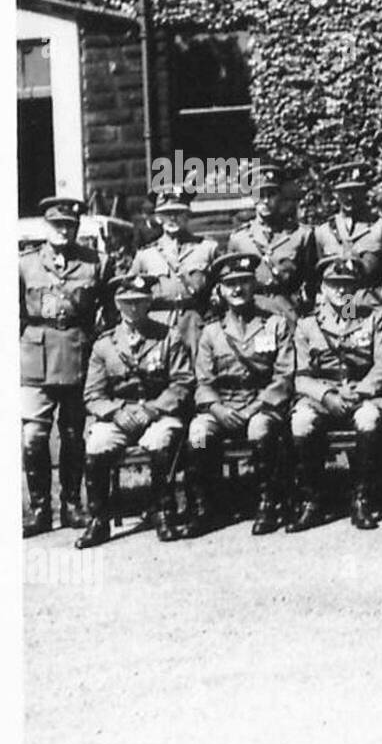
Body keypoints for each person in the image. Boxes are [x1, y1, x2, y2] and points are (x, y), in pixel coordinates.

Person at [80, 273, 195, 546]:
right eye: (127, 302)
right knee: (97, 442)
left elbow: (182, 382)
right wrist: (117, 411)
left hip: (157, 414)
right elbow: (93, 395)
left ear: (149, 303)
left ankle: (163, 512)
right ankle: (99, 520)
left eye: (140, 302)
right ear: (118, 304)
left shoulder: (168, 337)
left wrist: (153, 410)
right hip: (118, 416)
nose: (133, 308)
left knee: (161, 439)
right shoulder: (104, 344)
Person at [187, 253, 295, 536]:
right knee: (198, 435)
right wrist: (217, 409)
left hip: (262, 404)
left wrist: (254, 408)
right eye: (229, 284)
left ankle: (266, 503)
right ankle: (205, 505)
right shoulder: (211, 332)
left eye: (244, 282)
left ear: (254, 285)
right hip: (224, 406)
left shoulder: (275, 324)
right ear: (220, 290)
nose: (237, 290)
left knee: (260, 429)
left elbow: (283, 375)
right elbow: (203, 382)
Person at [289, 256, 382, 533]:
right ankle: (312, 499)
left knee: (370, 419)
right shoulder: (307, 325)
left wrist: (360, 392)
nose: (340, 291)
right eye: (333, 284)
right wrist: (326, 395)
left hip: (362, 395)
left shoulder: (371, 318)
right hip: (322, 398)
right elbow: (301, 375)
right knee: (301, 421)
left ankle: (362, 498)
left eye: (347, 285)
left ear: (356, 288)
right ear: (322, 288)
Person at [20, 196, 107, 536]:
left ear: (76, 228)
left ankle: (72, 504)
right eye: (57, 225)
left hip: (76, 355)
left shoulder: (93, 263)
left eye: (69, 225)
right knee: (33, 436)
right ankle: (41, 509)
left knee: (73, 434)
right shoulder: (24, 264)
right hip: (35, 359)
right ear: (47, 226)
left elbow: (105, 311)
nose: (63, 230)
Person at [130, 188, 219, 354]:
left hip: (195, 324)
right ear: (158, 217)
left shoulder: (207, 249)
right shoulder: (146, 254)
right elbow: (130, 294)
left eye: (178, 213)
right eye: (167, 213)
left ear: (187, 215)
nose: (172, 218)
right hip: (160, 325)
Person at [225, 164, 316, 325]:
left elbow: (312, 280)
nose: (265, 201)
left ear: (280, 197)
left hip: (289, 311)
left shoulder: (300, 234)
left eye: (271, 194)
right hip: (253, 314)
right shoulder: (240, 238)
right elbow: (230, 282)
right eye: (260, 194)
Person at [311, 161, 382, 320]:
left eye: (355, 191)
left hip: (371, 311)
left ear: (365, 191)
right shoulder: (323, 232)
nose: (350, 197)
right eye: (344, 191)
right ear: (334, 192)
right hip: (335, 313)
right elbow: (318, 278)